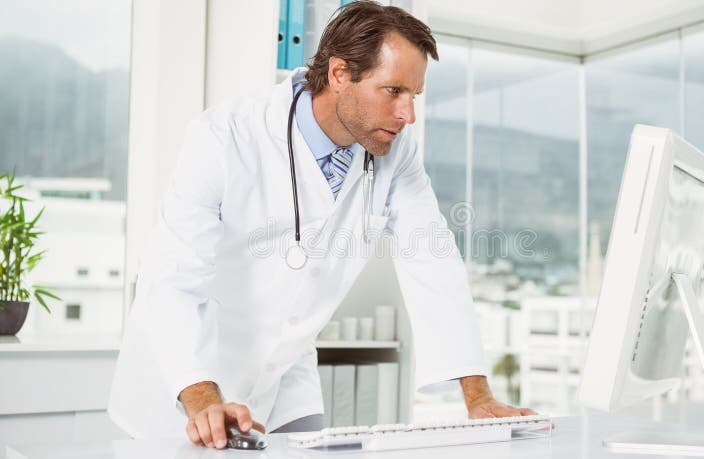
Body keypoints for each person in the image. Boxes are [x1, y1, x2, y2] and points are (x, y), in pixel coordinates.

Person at [108, 0, 535, 449]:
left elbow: (433, 259)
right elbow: (170, 279)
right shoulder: (224, 135)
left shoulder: (394, 153)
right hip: (186, 377)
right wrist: (200, 396)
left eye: (415, 96)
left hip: (285, 370)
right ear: (338, 75)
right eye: (393, 91)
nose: (408, 115)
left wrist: (478, 395)